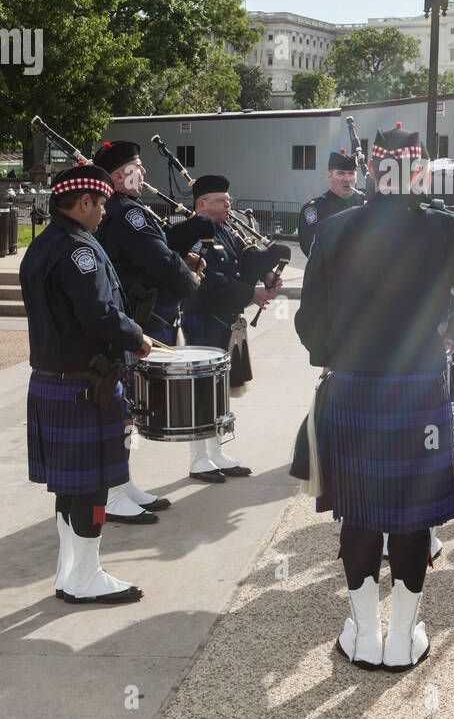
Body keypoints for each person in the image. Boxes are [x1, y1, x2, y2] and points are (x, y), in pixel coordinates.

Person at [295, 124, 454, 671]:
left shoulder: (335, 229)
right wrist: (451, 337)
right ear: (420, 171)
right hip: (418, 388)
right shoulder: (442, 226)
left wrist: (334, 351)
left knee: (359, 514)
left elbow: (308, 318)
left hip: (354, 385)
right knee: (412, 516)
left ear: (370, 170)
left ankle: (365, 634)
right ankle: (401, 639)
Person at [20, 165, 153, 604]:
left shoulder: (41, 246)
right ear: (83, 202)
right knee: (94, 490)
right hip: (85, 388)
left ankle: (69, 572)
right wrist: (136, 336)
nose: (102, 214)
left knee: (69, 487)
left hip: (52, 382)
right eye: (100, 205)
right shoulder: (80, 250)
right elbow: (97, 312)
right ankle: (86, 575)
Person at [93, 140, 212, 499]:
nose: (143, 173)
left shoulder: (122, 208)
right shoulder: (126, 212)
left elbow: (155, 246)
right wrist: (190, 281)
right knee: (127, 405)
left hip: (138, 316)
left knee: (129, 404)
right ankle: (115, 489)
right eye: (136, 167)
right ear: (117, 176)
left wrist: (184, 248)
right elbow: (157, 258)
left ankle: (123, 483)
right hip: (141, 319)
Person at [180, 174, 285, 479]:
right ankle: (197, 458)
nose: (228, 204)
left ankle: (215, 452)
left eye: (227, 199)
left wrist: (266, 275)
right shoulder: (196, 235)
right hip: (203, 317)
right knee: (202, 389)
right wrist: (251, 293)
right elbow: (210, 280)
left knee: (219, 388)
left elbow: (243, 260)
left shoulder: (226, 228)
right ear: (201, 204)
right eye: (220, 200)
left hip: (225, 319)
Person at [297, 150, 365, 257]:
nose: (347, 179)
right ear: (329, 176)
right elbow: (310, 247)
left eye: (351, 173)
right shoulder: (315, 209)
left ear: (356, 178)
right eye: (341, 173)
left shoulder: (365, 203)